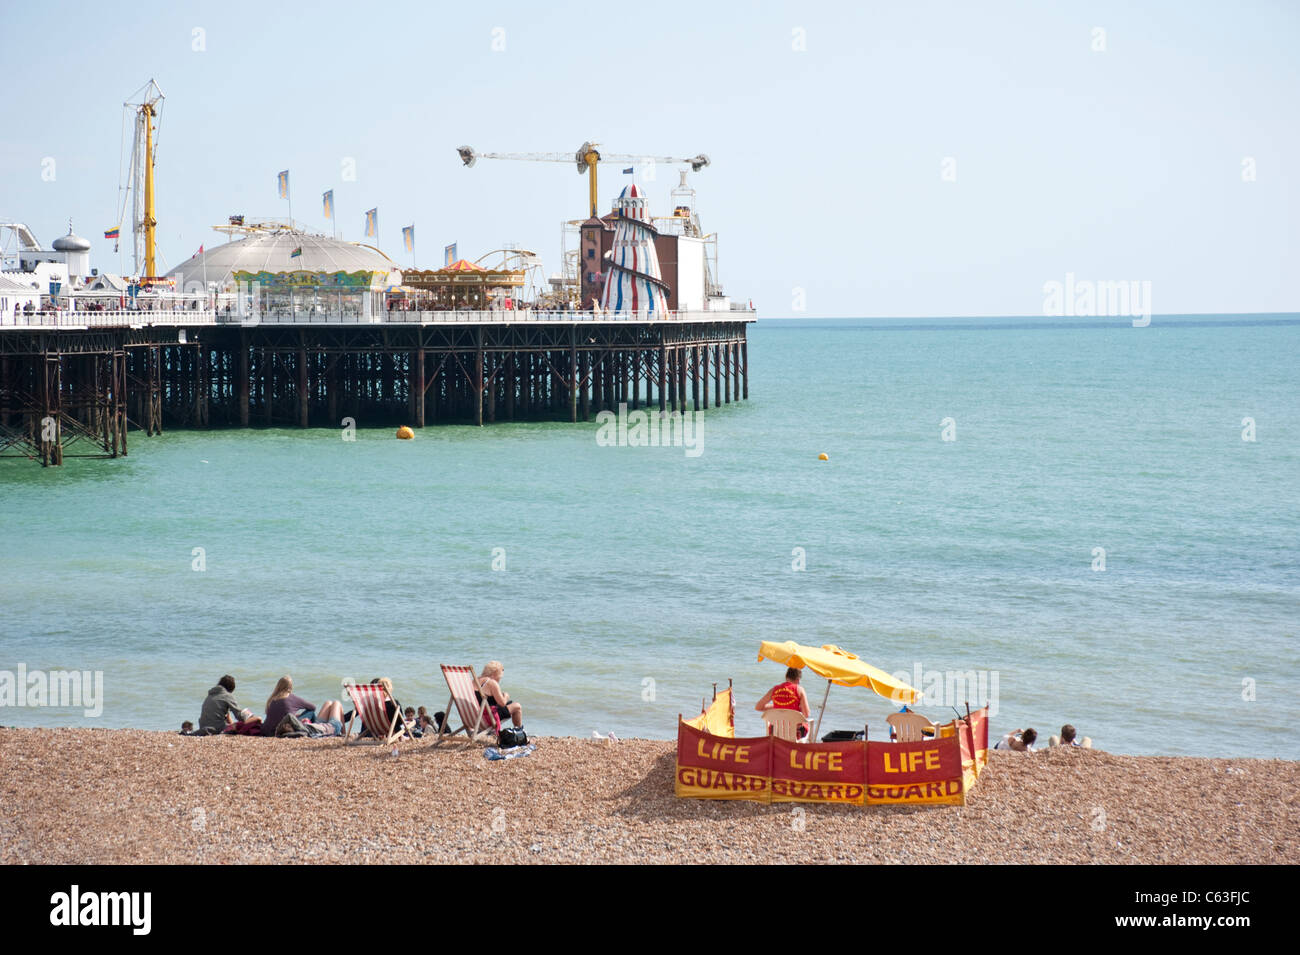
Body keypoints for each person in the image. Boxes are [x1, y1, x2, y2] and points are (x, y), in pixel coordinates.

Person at [755, 667, 812, 740]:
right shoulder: (799, 690)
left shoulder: (774, 689)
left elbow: (758, 707)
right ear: (798, 679)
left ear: (786, 677)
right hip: (794, 733)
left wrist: (779, 706)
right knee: (806, 724)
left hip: (775, 732)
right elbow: (806, 714)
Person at [477, 661, 523, 729]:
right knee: (517, 706)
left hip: (475, 717)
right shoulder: (491, 683)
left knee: (509, 704)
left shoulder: (475, 681)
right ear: (495, 673)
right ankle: (519, 731)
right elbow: (502, 703)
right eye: (500, 676)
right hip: (488, 718)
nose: (499, 679)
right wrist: (506, 696)